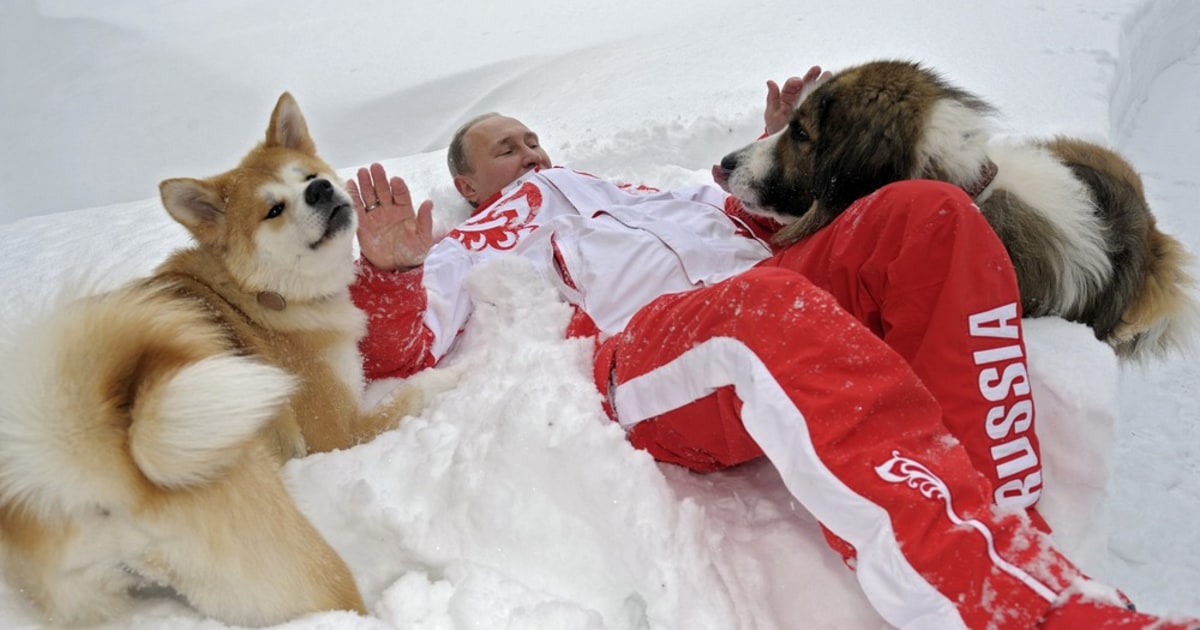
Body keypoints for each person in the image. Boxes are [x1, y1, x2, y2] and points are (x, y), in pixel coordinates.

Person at [345, 67, 1200, 630]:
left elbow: (746, 229)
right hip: (649, 356)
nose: (530, 152)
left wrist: (780, 170)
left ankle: (1020, 558)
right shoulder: (488, 231)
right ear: (466, 183)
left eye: (532, 137)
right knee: (770, 304)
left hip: (774, 291)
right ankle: (1019, 615)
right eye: (506, 147)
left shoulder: (632, 190)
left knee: (929, 216)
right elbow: (403, 350)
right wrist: (390, 276)